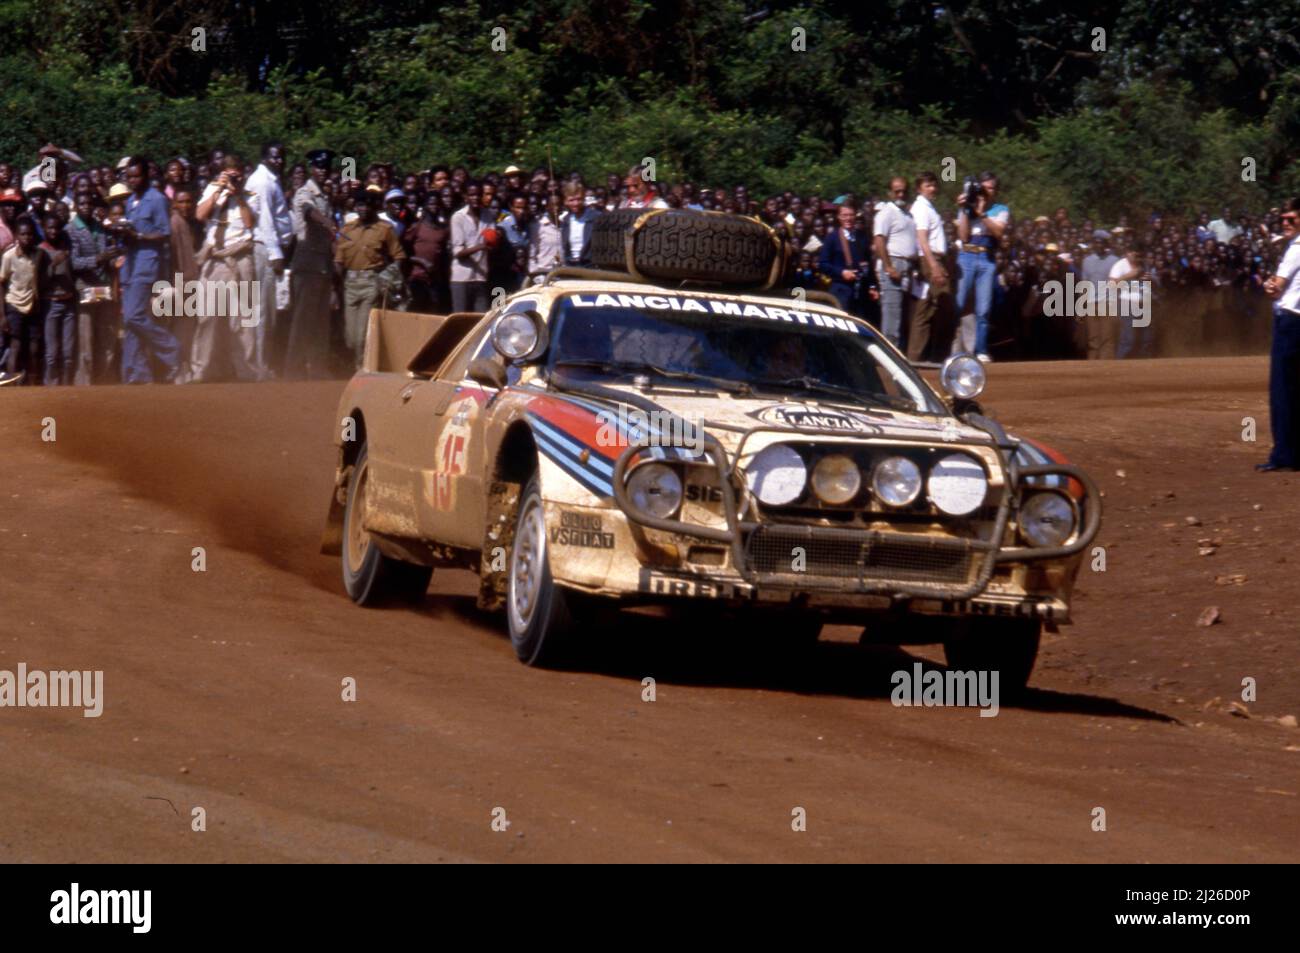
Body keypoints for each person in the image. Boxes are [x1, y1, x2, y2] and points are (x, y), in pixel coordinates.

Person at [192, 154, 260, 382]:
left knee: (243, 320)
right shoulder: (213, 189)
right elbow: (200, 215)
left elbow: (250, 222)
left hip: (240, 258)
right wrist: (219, 189)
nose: (234, 177)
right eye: (229, 173)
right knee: (207, 317)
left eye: (237, 174)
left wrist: (238, 194)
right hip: (215, 259)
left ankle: (246, 371)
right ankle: (201, 371)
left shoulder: (251, 195)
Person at [115, 156, 180, 383]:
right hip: (130, 264)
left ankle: (172, 350)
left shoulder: (157, 199)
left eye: (136, 176)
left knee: (133, 315)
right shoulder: (131, 200)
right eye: (129, 177)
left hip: (147, 263)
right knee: (131, 321)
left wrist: (139, 236)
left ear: (146, 175)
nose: (132, 180)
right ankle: (135, 374)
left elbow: (164, 233)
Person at [335, 184, 404, 367]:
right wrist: (335, 287)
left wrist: (386, 277)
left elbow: (398, 257)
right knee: (350, 337)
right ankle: (359, 362)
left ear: (374, 207)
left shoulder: (384, 229)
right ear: (355, 207)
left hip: (371, 283)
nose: (363, 209)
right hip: (350, 284)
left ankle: (361, 369)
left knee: (361, 335)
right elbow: (339, 261)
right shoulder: (347, 230)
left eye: (367, 205)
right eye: (359, 205)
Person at [285, 149, 337, 378]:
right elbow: (308, 212)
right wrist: (327, 222)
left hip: (323, 265)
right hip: (307, 266)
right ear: (312, 169)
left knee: (320, 323)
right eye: (318, 167)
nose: (322, 171)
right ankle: (293, 370)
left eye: (326, 167)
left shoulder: (326, 196)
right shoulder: (304, 192)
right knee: (302, 321)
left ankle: (317, 368)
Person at [244, 141, 293, 377]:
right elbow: (265, 222)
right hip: (264, 248)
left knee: (267, 309)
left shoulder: (271, 180)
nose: (279, 161)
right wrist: (276, 254)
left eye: (281, 157)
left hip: (269, 246)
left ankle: (261, 363)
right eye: (274, 157)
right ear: (264, 158)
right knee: (263, 310)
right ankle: (260, 366)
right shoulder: (263, 182)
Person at [1259, 199, 1300, 472]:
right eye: (1283, 219)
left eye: (1291, 219)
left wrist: (1268, 284)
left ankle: (1285, 455)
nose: (1285, 223)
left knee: (1283, 391)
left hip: (1290, 323)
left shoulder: (1296, 249)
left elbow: (1276, 287)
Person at [954, 170, 1009, 362]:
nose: (987, 192)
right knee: (959, 304)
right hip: (967, 255)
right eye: (984, 188)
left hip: (986, 258)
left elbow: (999, 233)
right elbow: (962, 236)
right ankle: (955, 347)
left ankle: (981, 349)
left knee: (983, 308)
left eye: (991, 188)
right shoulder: (967, 206)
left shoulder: (1001, 209)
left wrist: (982, 213)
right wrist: (964, 210)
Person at [68, 191, 116, 384]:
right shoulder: (71, 230)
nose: (86, 207)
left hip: (103, 286)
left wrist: (112, 257)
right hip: (85, 288)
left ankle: (104, 380)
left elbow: (106, 254)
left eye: (89, 203)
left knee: (106, 337)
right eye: (82, 204)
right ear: (76, 207)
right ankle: (84, 383)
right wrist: (98, 259)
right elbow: (74, 262)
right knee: (86, 340)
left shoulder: (100, 227)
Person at [0, 217, 48, 385]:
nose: (27, 237)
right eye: (23, 234)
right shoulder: (9, 256)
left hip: (32, 305)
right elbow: (1, 284)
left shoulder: (39, 255)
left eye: (30, 234)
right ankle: (12, 384)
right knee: (16, 345)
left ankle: (33, 383)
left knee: (34, 347)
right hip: (13, 304)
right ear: (16, 236)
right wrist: (2, 315)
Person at [909, 171, 951, 362]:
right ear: (919, 188)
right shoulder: (921, 208)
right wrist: (934, 266)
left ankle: (917, 357)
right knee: (943, 305)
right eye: (928, 185)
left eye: (934, 185)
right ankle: (935, 357)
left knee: (925, 309)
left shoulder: (928, 208)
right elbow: (921, 238)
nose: (933, 188)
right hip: (930, 258)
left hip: (933, 258)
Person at [872, 176, 918, 349]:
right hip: (894, 264)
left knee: (901, 315)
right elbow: (879, 240)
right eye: (897, 191)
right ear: (889, 192)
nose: (901, 194)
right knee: (892, 315)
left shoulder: (907, 214)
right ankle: (890, 359)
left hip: (907, 267)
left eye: (904, 191)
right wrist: (888, 266)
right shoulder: (886, 212)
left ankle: (898, 355)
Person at [818, 202, 877, 316]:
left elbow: (869, 263)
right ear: (838, 217)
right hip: (841, 290)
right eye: (845, 215)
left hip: (861, 292)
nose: (848, 218)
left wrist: (872, 286)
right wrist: (841, 272)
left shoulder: (862, 236)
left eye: (851, 215)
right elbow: (823, 264)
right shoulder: (832, 238)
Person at [39, 212, 77, 385]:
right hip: (51, 303)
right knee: (52, 354)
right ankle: (51, 388)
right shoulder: (41, 250)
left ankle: (67, 387)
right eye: (50, 228)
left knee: (68, 352)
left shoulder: (67, 248)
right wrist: (53, 264)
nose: (53, 231)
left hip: (68, 302)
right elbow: (39, 282)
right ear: (44, 228)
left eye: (56, 228)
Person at [167, 187, 201, 380]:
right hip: (181, 282)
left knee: (188, 329)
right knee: (182, 329)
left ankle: (184, 367)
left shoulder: (189, 224)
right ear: (174, 204)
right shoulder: (175, 223)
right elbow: (172, 256)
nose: (186, 206)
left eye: (189, 201)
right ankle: (179, 369)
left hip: (190, 281)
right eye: (182, 202)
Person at [402, 191, 451, 314]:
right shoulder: (416, 227)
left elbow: (444, 254)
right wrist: (421, 261)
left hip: (435, 279)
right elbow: (403, 252)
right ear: (425, 206)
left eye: (437, 204)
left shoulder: (443, 229)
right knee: (417, 313)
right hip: (417, 278)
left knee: (433, 312)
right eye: (431, 203)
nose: (434, 206)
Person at [449, 181, 492, 312]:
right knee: (461, 318)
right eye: (472, 195)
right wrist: (480, 247)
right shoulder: (458, 217)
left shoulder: (488, 215)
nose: (476, 198)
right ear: (465, 196)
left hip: (481, 276)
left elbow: (491, 240)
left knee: (481, 319)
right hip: (462, 277)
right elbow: (458, 253)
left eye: (478, 194)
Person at [1081, 235, 1120, 359]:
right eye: (1096, 243)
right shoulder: (1087, 261)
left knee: (1107, 338)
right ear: (1093, 244)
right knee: (1092, 339)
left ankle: (1107, 368)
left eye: (1101, 243)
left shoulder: (1114, 260)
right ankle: (1091, 368)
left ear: (1106, 245)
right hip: (1091, 303)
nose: (1099, 245)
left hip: (1108, 303)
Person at [560, 182, 600, 267]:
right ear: (565, 201)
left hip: (590, 266)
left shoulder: (596, 217)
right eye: (571, 200)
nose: (576, 203)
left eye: (579, 199)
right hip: (570, 265)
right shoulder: (565, 220)